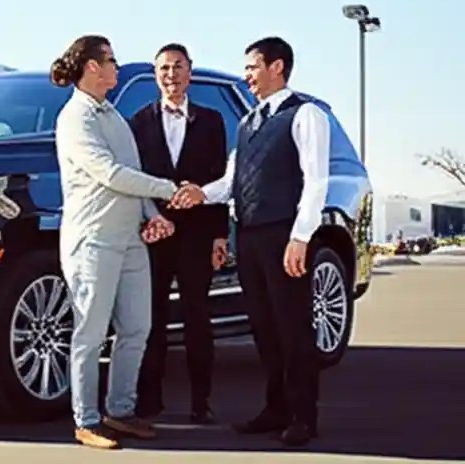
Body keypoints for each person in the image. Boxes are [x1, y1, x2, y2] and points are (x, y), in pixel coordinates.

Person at [170, 36, 329, 447]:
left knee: (293, 328)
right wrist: (200, 192)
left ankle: (302, 417)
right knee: (264, 327)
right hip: (252, 237)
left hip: (284, 235)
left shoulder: (305, 115)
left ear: (277, 67)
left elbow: (316, 183)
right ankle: (275, 408)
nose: (247, 77)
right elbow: (233, 181)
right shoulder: (248, 122)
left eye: (252, 67)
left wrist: (300, 238)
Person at [49, 34, 203, 450]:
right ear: (93, 67)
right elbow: (110, 173)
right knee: (91, 332)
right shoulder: (75, 119)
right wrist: (170, 189)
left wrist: (154, 216)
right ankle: (86, 420)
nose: (118, 67)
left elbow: (131, 176)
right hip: (93, 240)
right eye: (112, 61)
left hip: (131, 240)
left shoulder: (114, 116)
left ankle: (120, 410)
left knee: (138, 327)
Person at [127, 43, 230, 424]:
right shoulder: (138, 122)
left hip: (198, 235)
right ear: (156, 75)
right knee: (148, 317)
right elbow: (134, 180)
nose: (171, 75)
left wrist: (221, 236)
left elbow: (219, 178)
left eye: (178, 67)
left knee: (196, 316)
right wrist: (150, 218)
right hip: (154, 233)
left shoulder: (212, 121)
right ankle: (149, 399)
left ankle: (201, 401)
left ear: (190, 73)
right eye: (164, 69)